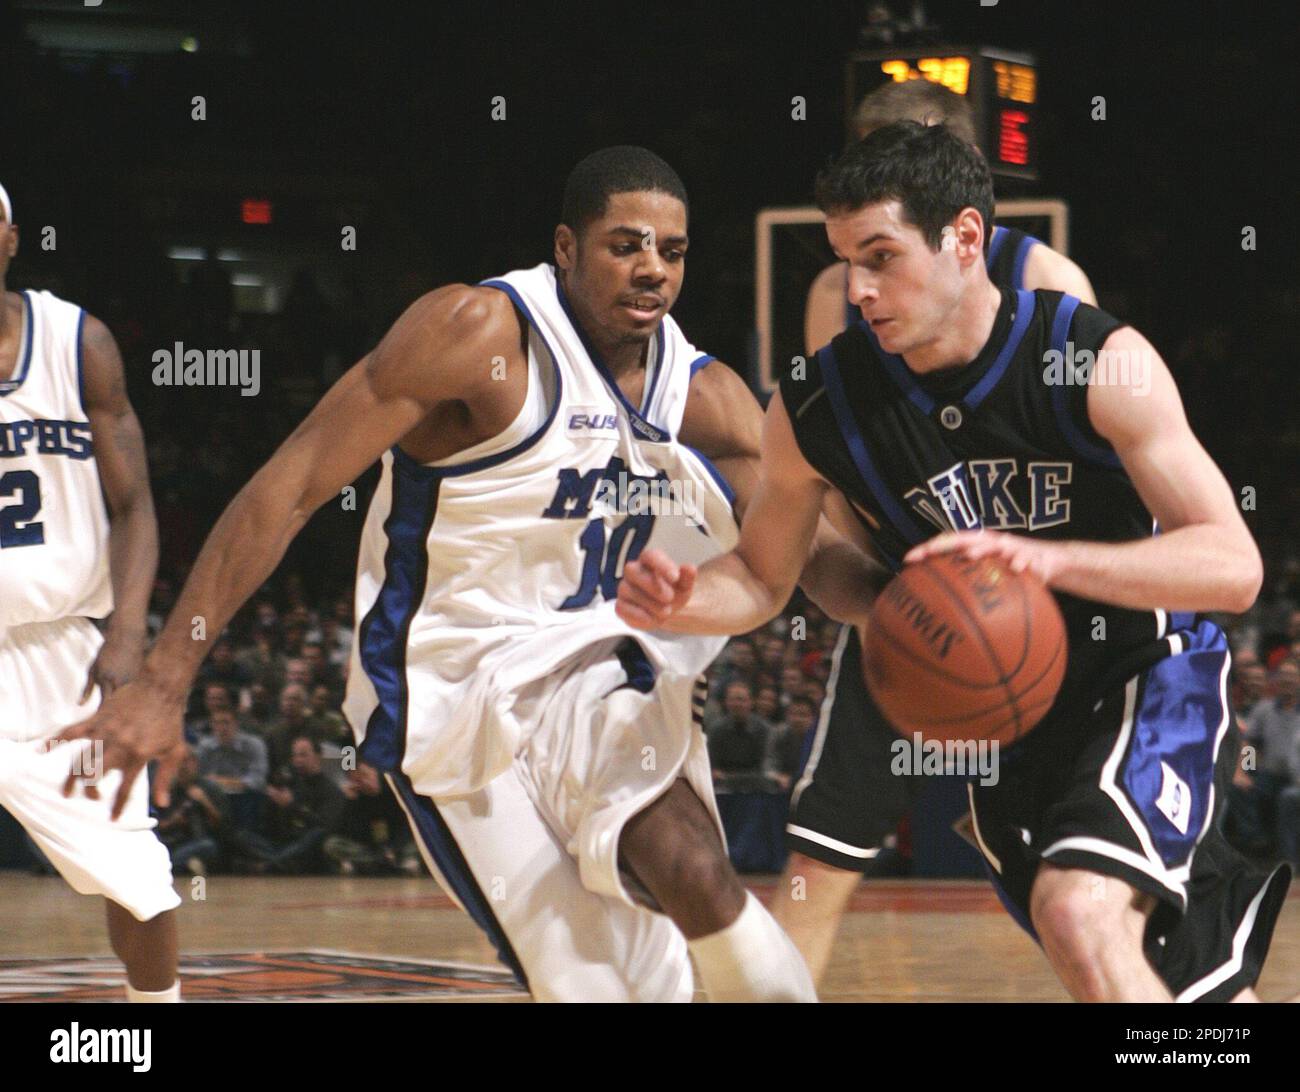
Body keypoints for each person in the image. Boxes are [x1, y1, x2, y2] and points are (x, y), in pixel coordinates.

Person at [59, 147, 877, 1002]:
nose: (652, 270)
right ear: (566, 247)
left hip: (601, 672)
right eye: (625, 245)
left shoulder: (703, 396)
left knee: (701, 874)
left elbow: (812, 556)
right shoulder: (476, 335)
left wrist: (906, 605)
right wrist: (164, 677)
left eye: (671, 252)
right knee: (597, 987)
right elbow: (290, 488)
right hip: (452, 691)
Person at [617, 122, 1291, 1002]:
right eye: (845, 261)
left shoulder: (1092, 358)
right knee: (1171, 982)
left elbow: (1231, 566)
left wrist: (1042, 566)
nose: (857, 288)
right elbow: (761, 578)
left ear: (966, 237)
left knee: (1080, 912)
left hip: (1140, 679)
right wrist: (683, 600)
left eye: (881, 257)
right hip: (994, 722)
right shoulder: (819, 405)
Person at [779, 78, 1108, 984]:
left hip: (1042, 611)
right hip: (919, 598)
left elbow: (1100, 478)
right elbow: (835, 468)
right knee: (819, 857)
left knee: (1071, 885)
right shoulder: (831, 291)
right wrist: (893, 583)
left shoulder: (1046, 281)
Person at [0, 181, 181, 1001]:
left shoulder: (77, 342)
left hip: (63, 651)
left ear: (10, 239)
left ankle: (153, 1017)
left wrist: (128, 635)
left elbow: (134, 502)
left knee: (131, 873)